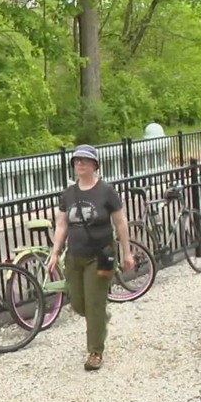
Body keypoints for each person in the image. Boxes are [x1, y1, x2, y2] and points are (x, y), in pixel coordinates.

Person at [46, 144, 135, 371]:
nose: (79, 164)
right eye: (76, 161)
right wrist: (55, 252)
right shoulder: (68, 194)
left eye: (84, 160)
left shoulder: (106, 191)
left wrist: (127, 252)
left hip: (102, 255)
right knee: (78, 303)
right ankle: (99, 317)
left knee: (94, 302)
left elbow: (120, 222)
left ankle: (95, 351)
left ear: (95, 164)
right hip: (75, 256)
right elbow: (61, 224)